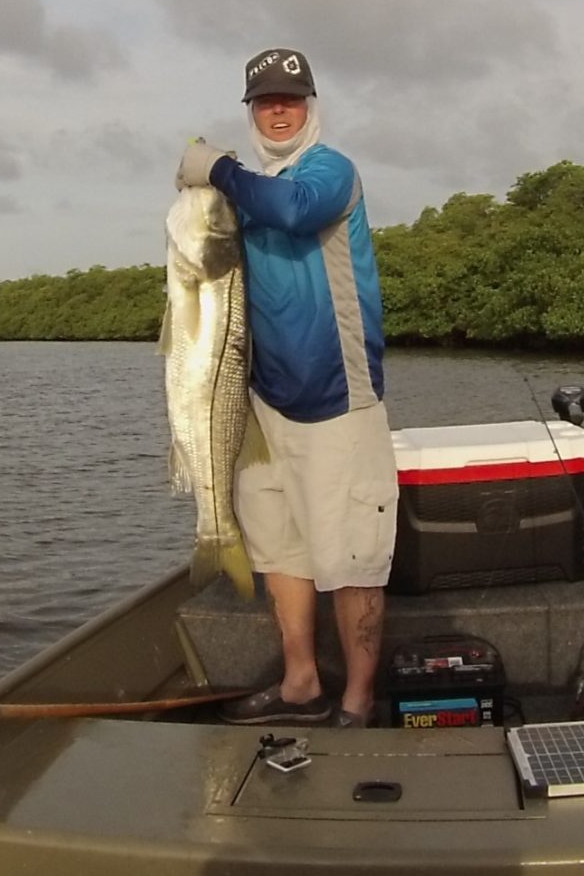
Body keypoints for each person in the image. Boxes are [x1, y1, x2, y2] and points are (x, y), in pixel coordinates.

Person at [175, 47, 398, 728]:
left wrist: (215, 168)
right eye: (265, 100)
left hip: (339, 400)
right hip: (261, 403)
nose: (279, 110)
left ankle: (357, 700)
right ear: (251, 109)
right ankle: (301, 681)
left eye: (291, 99)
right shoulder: (244, 192)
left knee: (353, 556)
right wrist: (204, 194)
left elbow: (295, 209)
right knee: (281, 551)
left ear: (311, 107)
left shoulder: (330, 171)